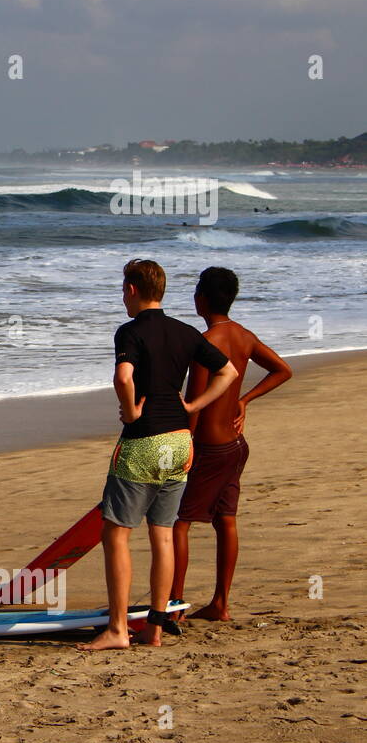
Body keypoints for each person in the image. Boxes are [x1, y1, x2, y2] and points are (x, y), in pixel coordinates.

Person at [78, 259, 238, 652]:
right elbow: (229, 372)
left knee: (115, 533)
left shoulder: (130, 332)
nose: (122, 298)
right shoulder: (185, 332)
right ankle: (155, 628)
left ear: (132, 290)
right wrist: (193, 405)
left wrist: (131, 410)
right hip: (180, 443)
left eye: (122, 290)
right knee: (162, 534)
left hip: (142, 442)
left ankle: (117, 629)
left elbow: (123, 377)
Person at [170, 267, 292, 621]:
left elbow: (194, 401)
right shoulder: (243, 335)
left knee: (180, 522)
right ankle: (220, 604)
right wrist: (245, 400)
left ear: (202, 299)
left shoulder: (205, 343)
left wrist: (184, 443)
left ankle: (174, 607)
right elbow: (282, 370)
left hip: (209, 448)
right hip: (236, 445)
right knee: (226, 520)